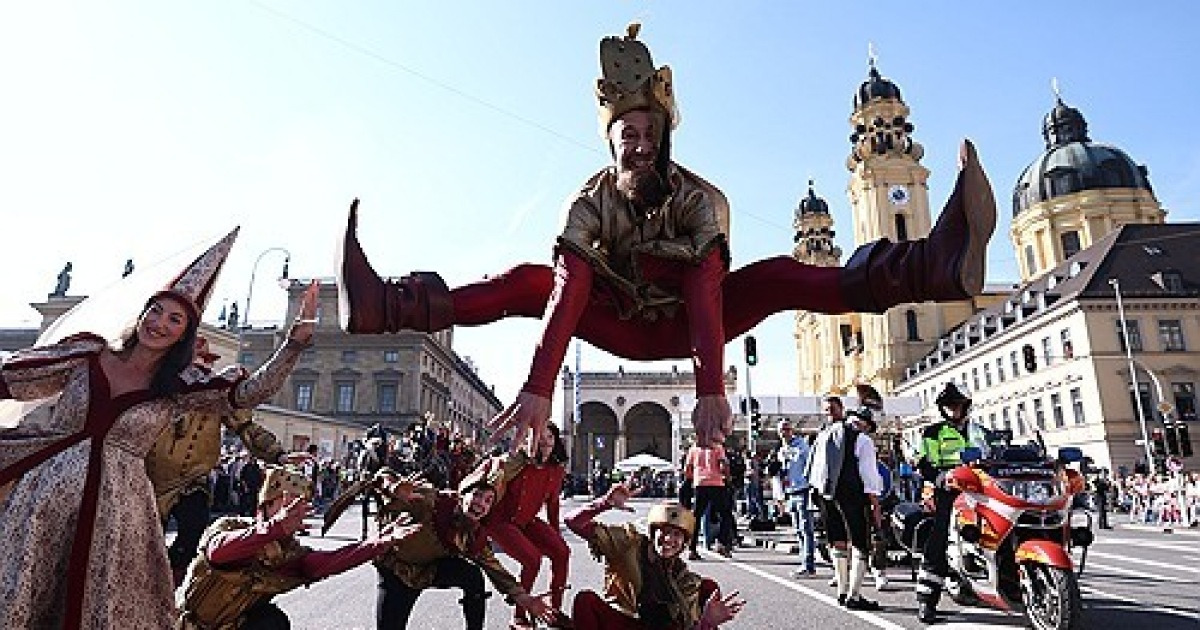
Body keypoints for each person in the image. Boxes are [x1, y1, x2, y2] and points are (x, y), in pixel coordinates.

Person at [337, 23, 998, 454]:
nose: (640, 144)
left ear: (665, 137)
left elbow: (705, 287)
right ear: (612, 141)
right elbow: (568, 288)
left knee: (776, 277)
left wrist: (711, 387)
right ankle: (382, 307)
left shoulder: (697, 199)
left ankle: (935, 267)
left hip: (691, 321)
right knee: (528, 282)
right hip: (620, 324)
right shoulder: (587, 202)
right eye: (628, 134)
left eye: (650, 133)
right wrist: (539, 386)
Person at [0, 229, 319, 628]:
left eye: (174, 319)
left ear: (185, 333)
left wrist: (293, 344)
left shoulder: (180, 387)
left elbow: (246, 394)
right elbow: (13, 379)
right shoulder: (88, 354)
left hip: (116, 509)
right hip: (46, 495)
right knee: (24, 589)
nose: (159, 323)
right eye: (155, 311)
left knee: (96, 600)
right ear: (141, 314)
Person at [146, 335, 309, 584]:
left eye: (207, 361)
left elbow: (248, 430)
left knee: (194, 529)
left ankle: (171, 580)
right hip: (152, 479)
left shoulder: (219, 397)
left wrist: (280, 455)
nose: (202, 366)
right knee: (147, 538)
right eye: (196, 361)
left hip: (193, 480)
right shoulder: (161, 388)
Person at [177, 466, 421, 629]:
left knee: (272, 622)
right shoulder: (231, 526)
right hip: (185, 625)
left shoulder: (290, 553)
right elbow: (218, 553)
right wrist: (273, 528)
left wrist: (378, 544)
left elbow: (327, 562)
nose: (294, 511)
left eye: (301, 505)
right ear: (266, 504)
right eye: (287, 504)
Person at [353, 463, 553, 629]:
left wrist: (526, 600)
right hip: (396, 572)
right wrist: (392, 487)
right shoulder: (431, 500)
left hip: (429, 570)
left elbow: (497, 571)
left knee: (472, 575)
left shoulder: (473, 536)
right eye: (477, 495)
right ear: (462, 496)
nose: (481, 503)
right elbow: (383, 474)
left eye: (488, 501)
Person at [564, 483, 745, 629]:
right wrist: (605, 503)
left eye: (676, 535)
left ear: (684, 543)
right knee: (585, 601)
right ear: (653, 532)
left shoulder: (686, 580)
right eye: (664, 532)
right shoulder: (627, 542)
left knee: (708, 587)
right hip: (625, 622)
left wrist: (708, 622)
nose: (668, 539)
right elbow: (573, 522)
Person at [480, 423, 572, 628]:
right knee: (532, 560)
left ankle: (554, 611)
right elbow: (493, 481)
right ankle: (519, 615)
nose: (545, 442)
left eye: (550, 437)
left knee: (562, 552)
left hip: (526, 520)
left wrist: (555, 534)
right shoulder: (518, 463)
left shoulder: (556, 470)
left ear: (556, 441)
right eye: (540, 437)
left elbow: (553, 504)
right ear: (530, 441)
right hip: (501, 520)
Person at [914, 382, 990, 624]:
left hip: (981, 488)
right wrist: (939, 477)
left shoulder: (979, 431)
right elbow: (924, 461)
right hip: (949, 490)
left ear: (965, 406)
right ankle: (927, 600)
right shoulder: (933, 432)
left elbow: (993, 452)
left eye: (956, 405)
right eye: (948, 406)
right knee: (940, 538)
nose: (952, 409)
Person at [805, 385, 886, 611]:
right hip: (851, 495)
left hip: (826, 495)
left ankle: (842, 592)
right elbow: (869, 477)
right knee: (860, 543)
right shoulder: (861, 439)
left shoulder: (822, 436)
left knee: (837, 541)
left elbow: (812, 471)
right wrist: (875, 504)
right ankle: (854, 595)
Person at [777, 419, 816, 579]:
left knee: (806, 529)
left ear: (792, 430)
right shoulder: (782, 450)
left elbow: (810, 465)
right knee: (799, 530)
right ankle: (804, 562)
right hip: (790, 491)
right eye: (781, 429)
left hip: (803, 490)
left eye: (787, 429)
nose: (784, 432)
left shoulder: (801, 446)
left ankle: (809, 565)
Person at [683, 438, 732, 559]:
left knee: (696, 516)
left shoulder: (694, 449)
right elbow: (722, 466)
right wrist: (727, 478)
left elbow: (687, 469)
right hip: (716, 483)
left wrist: (693, 479)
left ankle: (692, 549)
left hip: (700, 484)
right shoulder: (717, 447)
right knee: (725, 515)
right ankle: (721, 543)